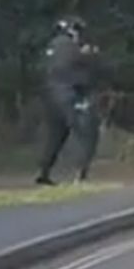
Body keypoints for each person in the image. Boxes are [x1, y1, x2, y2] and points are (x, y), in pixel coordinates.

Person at [36, 16, 100, 185]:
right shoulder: (70, 47)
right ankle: (80, 174)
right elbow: (84, 69)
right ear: (72, 30)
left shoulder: (52, 46)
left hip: (51, 96)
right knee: (87, 134)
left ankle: (43, 173)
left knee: (55, 136)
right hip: (70, 95)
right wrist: (90, 54)